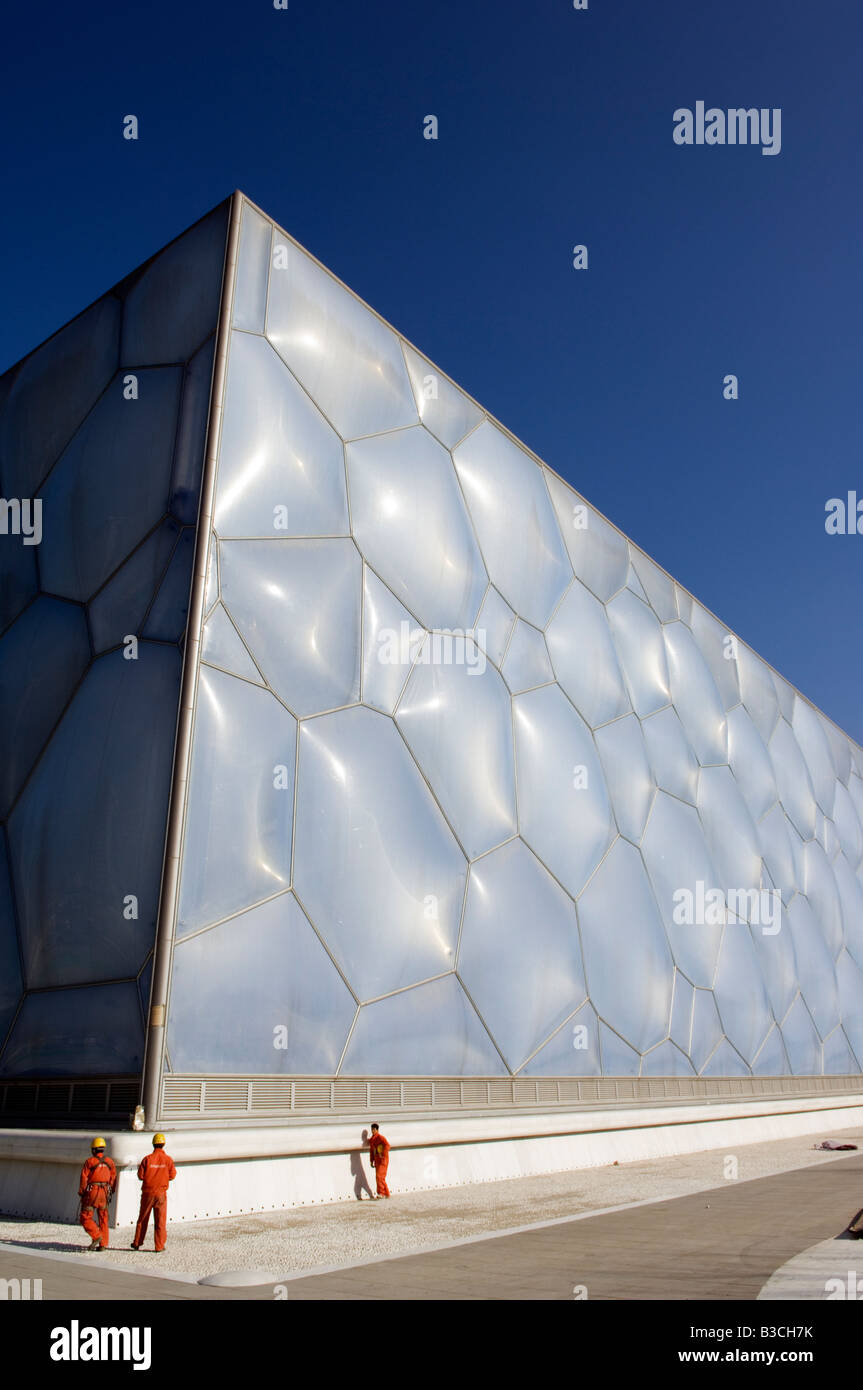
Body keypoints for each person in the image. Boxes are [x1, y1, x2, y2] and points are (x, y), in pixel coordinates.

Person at [131, 1132, 177, 1252]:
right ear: (163, 1144)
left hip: (147, 1193)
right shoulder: (168, 1160)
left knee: (142, 1219)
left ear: (153, 1144)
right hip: (161, 1194)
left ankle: (137, 1243)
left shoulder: (147, 1159)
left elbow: (140, 1176)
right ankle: (159, 1246)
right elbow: (172, 1176)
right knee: (160, 1221)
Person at [78, 1137, 117, 1251]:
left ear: (93, 1150)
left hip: (92, 1191)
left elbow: (84, 1177)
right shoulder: (110, 1162)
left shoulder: (90, 1162)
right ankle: (103, 1244)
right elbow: (113, 1178)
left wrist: (82, 1192)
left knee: (85, 1217)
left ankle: (96, 1236)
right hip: (105, 1192)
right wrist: (111, 1190)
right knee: (103, 1217)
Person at [367, 1123, 391, 1198]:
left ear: (377, 1130)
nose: (373, 1131)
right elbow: (371, 1151)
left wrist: (382, 1154)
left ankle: (381, 1193)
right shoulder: (371, 1140)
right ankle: (386, 1193)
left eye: (374, 1129)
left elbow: (387, 1146)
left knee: (379, 1176)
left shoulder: (381, 1138)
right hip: (377, 1160)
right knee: (379, 1177)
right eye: (372, 1129)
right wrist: (371, 1161)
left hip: (383, 1160)